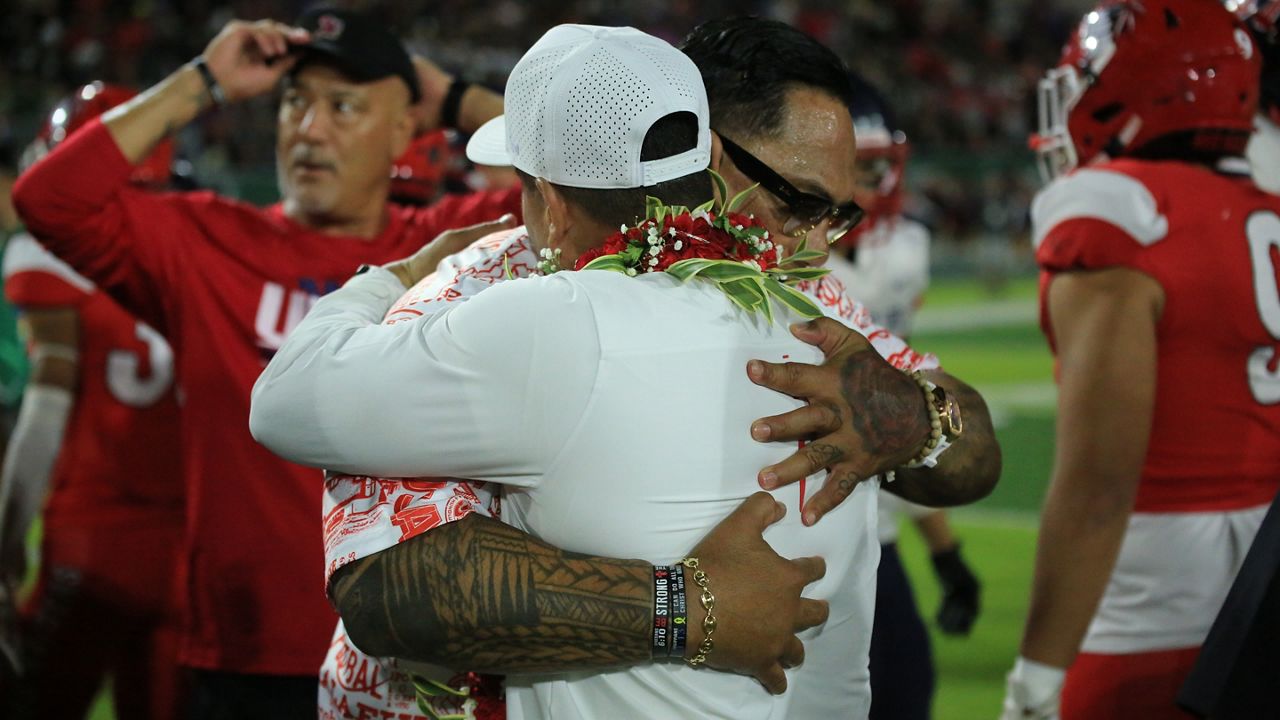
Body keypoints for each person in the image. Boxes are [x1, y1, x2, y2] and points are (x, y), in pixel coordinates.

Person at [251, 23, 994, 720]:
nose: (817, 243)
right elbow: (399, 591)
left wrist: (914, 418)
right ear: (704, 158)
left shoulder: (804, 304)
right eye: (797, 203)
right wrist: (690, 610)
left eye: (838, 216)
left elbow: (972, 452)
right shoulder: (477, 292)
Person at [11, 8, 521, 717]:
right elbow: (47, 199)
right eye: (295, 102)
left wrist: (458, 97)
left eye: (343, 106)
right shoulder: (207, 239)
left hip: (408, 654)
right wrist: (202, 82)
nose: (310, 129)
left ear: (406, 130)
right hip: (239, 652)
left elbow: (603, 192)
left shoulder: (451, 242)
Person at [1001, 2, 1280, 718]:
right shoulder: (1264, 209)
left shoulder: (1118, 207)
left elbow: (1099, 486)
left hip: (1155, 599)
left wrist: (1035, 676)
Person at [0, 82, 187, 720]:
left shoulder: (49, 252)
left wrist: (6, 532)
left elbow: (47, 410)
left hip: (95, 541)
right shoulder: (190, 243)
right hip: (187, 555)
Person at [827, 71, 981, 720]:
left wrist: (945, 553)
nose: (871, 185)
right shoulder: (775, 260)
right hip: (805, 525)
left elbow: (904, 413)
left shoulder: (902, 248)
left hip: (873, 524)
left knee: (903, 693)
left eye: (875, 167)